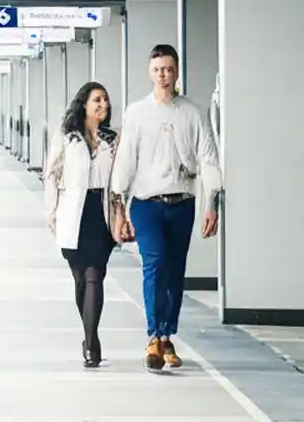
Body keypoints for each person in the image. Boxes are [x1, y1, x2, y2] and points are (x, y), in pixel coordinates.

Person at [110, 44, 222, 371]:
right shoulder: (136, 113)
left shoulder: (193, 112)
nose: (163, 75)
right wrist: (119, 205)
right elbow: (127, 160)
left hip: (182, 203)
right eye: (158, 69)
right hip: (146, 205)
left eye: (168, 69)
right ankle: (153, 335)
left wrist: (211, 204)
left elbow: (208, 159)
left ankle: (167, 336)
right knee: (154, 265)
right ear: (150, 72)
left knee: (174, 272)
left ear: (176, 73)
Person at [44, 81, 120, 368]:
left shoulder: (113, 139)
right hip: (72, 213)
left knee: (94, 276)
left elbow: (120, 178)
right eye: (97, 100)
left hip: (100, 213)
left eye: (106, 100)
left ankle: (91, 342)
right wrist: (50, 211)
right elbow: (52, 173)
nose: (103, 105)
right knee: (80, 280)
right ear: (84, 104)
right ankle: (89, 335)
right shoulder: (66, 136)